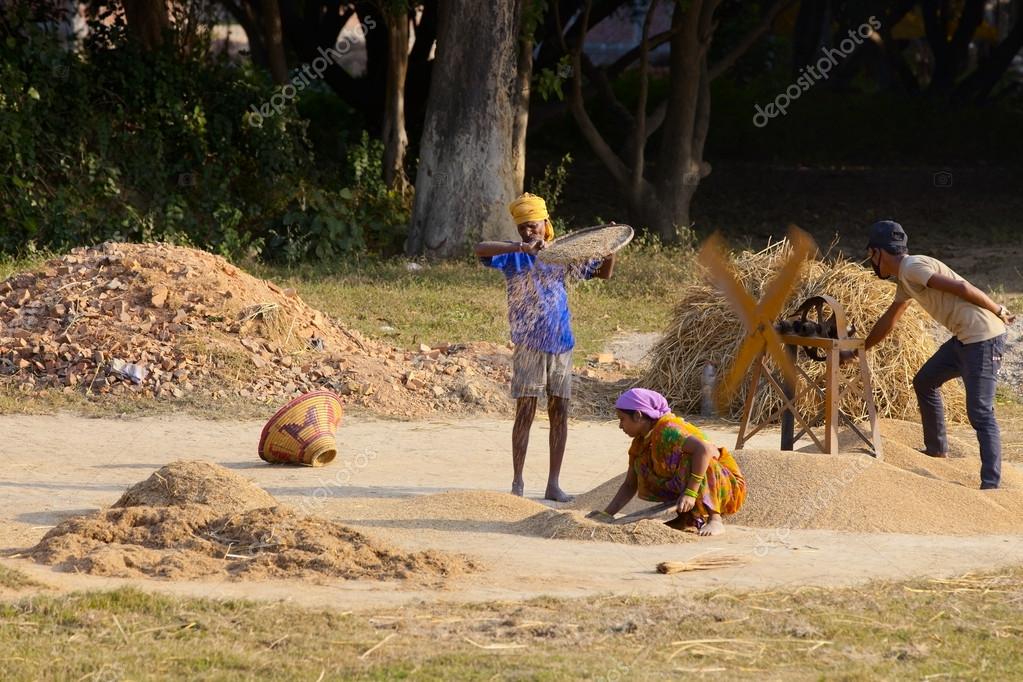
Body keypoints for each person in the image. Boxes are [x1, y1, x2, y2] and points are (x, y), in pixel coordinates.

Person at [843, 220, 1014, 489]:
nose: (871, 262)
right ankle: (937, 450)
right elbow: (891, 318)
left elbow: (961, 288)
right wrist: (862, 348)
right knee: (925, 381)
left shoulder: (913, 267)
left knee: (980, 413)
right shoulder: (905, 277)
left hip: (983, 339)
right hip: (963, 340)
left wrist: (999, 309)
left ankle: (991, 485)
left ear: (879, 252)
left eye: (870, 255)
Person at [474, 193, 614, 501]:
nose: (528, 232)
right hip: (528, 346)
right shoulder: (514, 255)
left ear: (545, 223)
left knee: (559, 412)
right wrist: (523, 246)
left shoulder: (563, 254)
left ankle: (553, 484)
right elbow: (480, 249)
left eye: (533, 226)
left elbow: (605, 273)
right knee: (525, 412)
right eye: (522, 227)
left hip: (561, 345)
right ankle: (518, 482)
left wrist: (608, 246)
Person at [587, 388, 747, 536]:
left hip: (727, 485)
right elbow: (630, 484)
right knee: (641, 463)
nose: (620, 426)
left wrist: (691, 493)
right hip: (702, 484)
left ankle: (715, 519)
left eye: (622, 419)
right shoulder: (640, 443)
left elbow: (704, 450)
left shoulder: (668, 429)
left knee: (693, 460)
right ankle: (687, 518)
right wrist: (607, 514)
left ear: (638, 416)